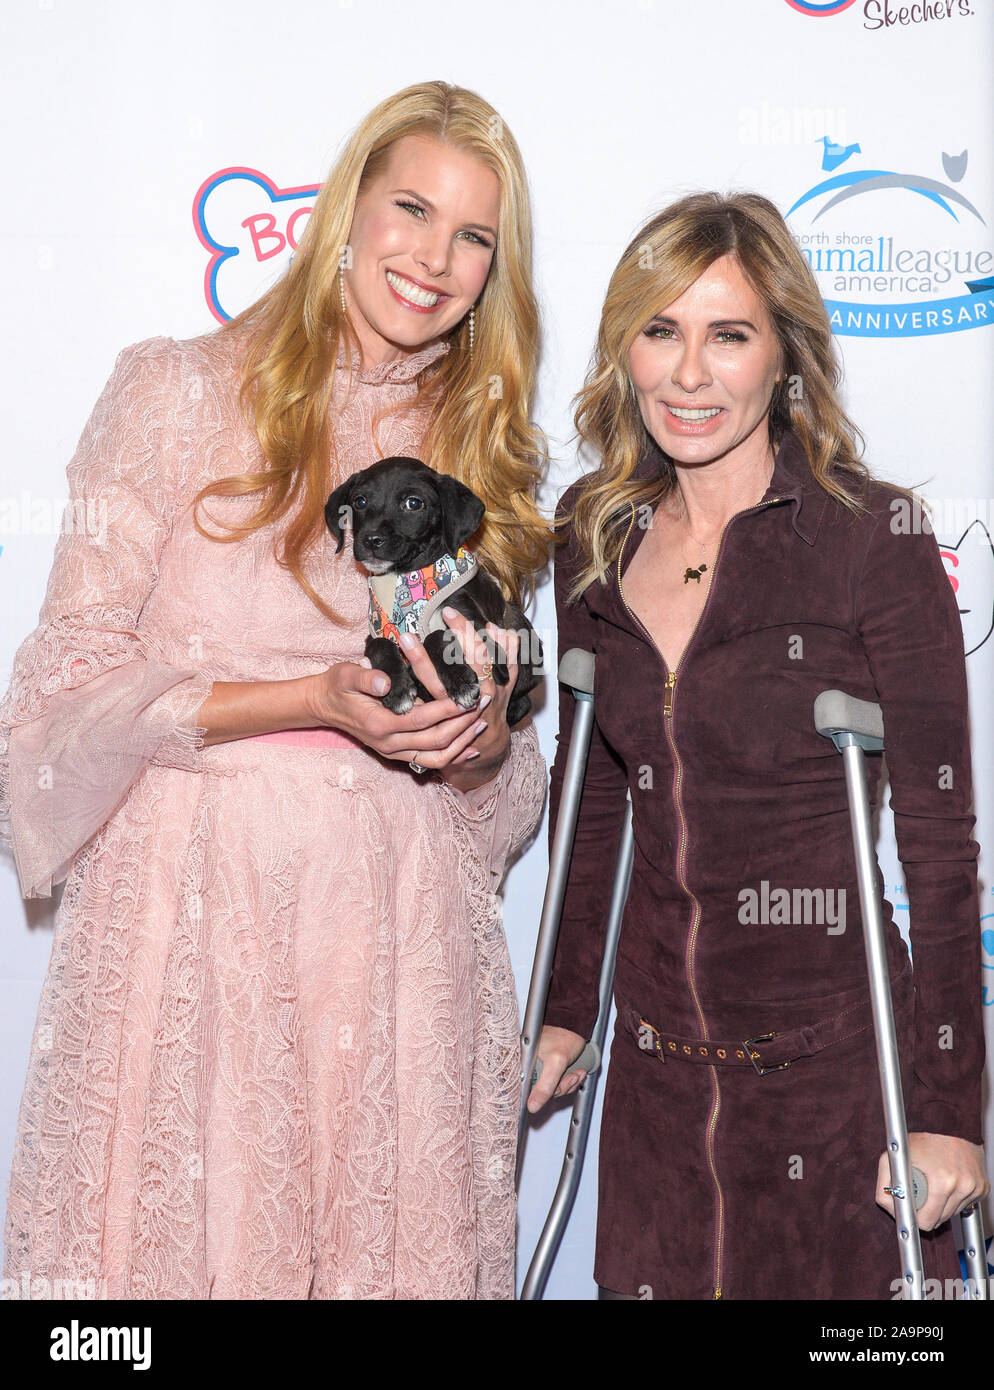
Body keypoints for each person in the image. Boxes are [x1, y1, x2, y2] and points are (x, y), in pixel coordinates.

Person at [0, 81, 549, 1301]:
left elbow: (506, 804)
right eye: (412, 208)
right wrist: (307, 697)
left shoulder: (480, 455)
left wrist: (468, 748)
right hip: (195, 930)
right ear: (346, 208)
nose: (437, 259)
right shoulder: (171, 392)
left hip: (398, 958)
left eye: (475, 237)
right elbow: (55, 698)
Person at [528, 191, 989, 1300]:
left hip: (835, 1087)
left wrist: (946, 1114)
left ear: (783, 353)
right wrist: (562, 1002)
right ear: (623, 349)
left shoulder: (871, 539)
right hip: (654, 1094)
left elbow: (937, 848)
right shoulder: (593, 531)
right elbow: (592, 802)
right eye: (660, 330)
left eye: (727, 334)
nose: (689, 374)